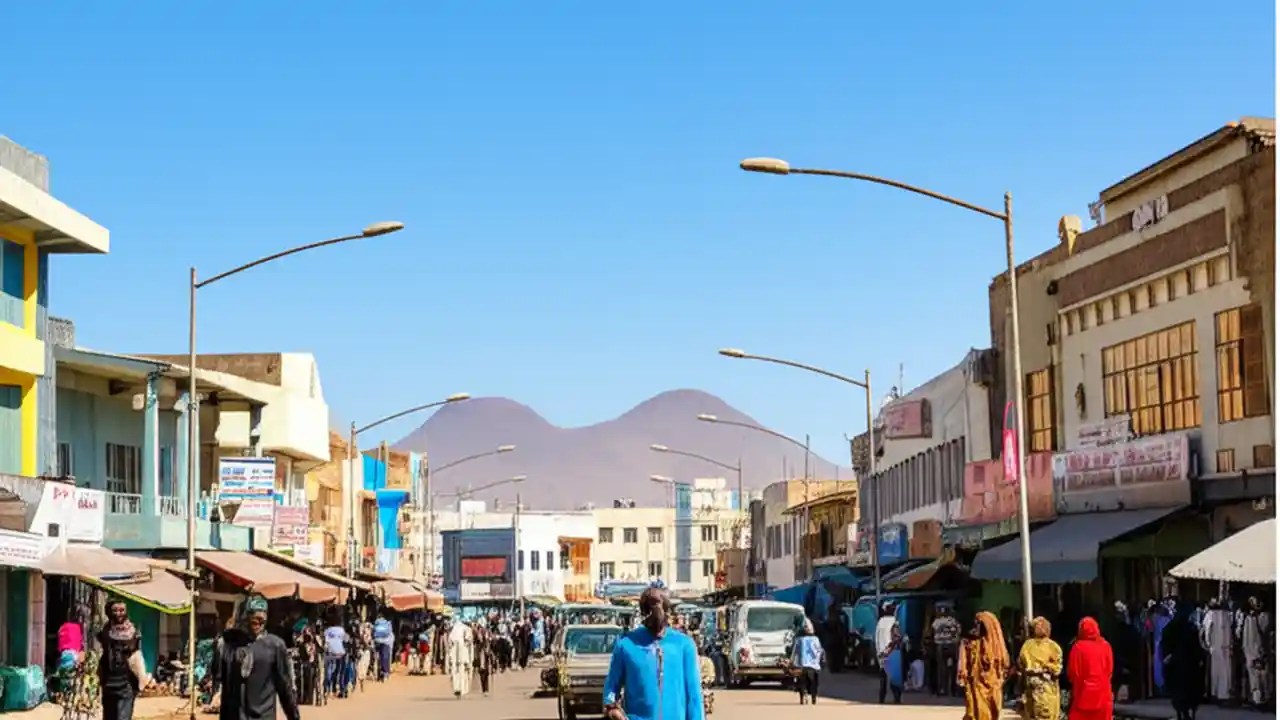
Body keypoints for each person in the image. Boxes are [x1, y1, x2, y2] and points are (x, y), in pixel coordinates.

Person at [603, 586, 704, 720]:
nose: (655, 613)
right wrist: (612, 709)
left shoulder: (683, 645)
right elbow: (611, 688)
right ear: (644, 612)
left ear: (667, 610)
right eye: (650, 607)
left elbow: (694, 696)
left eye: (659, 606)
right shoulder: (626, 645)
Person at [214, 595, 301, 720]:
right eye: (253, 620)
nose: (258, 624)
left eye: (262, 620)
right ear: (243, 617)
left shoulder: (275, 646)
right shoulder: (229, 646)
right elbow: (223, 685)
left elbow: (285, 689)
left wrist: (294, 717)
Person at [98, 600, 145, 720]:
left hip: (126, 684)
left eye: (121, 610)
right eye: (115, 610)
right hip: (109, 685)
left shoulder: (134, 633)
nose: (118, 613)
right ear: (109, 612)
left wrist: (140, 680)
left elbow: (137, 657)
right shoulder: (105, 632)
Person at [957, 611, 1009, 720]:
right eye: (975, 623)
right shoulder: (969, 642)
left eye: (979, 624)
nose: (976, 627)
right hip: (976, 684)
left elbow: (1003, 665)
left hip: (993, 685)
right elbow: (963, 662)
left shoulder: (996, 645)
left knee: (992, 711)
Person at [1162, 603, 1205, 720]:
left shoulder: (1170, 628)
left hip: (1176, 664)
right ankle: (1188, 713)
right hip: (1188, 664)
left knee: (1178, 692)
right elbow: (1196, 646)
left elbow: (1165, 645)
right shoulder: (1190, 628)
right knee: (1189, 691)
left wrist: (1167, 656)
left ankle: (1182, 713)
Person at [1066, 617, 1113, 720]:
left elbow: (1072, 673)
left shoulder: (1077, 647)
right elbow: (1109, 671)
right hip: (1103, 696)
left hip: (1082, 695)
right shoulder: (1106, 646)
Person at [1018, 617, 1063, 720]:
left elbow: (1021, 665)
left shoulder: (1026, 646)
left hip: (1030, 689)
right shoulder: (1054, 647)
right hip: (1047, 690)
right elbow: (1057, 669)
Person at [1238, 596, 1272, 707]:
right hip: (1252, 650)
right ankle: (1258, 697)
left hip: (1256, 650)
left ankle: (1261, 697)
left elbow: (1261, 631)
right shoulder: (1250, 617)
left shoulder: (1260, 617)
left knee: (1258, 675)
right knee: (1256, 675)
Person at [875, 602, 905, 704]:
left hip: (882, 653)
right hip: (892, 652)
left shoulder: (880, 622)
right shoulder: (894, 622)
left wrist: (878, 651)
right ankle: (897, 698)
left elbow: (877, 639)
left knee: (883, 678)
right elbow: (897, 637)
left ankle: (881, 699)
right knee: (895, 676)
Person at [931, 604, 961, 697]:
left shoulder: (937, 621)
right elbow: (959, 632)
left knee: (941, 668)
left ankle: (942, 689)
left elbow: (932, 632)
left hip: (940, 645)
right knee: (954, 669)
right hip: (952, 645)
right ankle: (954, 690)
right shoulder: (954, 621)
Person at [791, 618, 824, 705]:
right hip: (813, 665)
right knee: (813, 682)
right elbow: (819, 651)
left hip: (801, 664)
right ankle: (813, 698)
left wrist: (792, 662)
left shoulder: (799, 640)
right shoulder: (815, 639)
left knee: (802, 681)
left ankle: (803, 695)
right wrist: (821, 661)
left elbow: (794, 653)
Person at [322, 613, 348, 698]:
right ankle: (341, 689)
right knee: (341, 671)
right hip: (341, 653)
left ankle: (327, 689)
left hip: (331, 653)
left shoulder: (327, 630)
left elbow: (324, 641)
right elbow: (346, 640)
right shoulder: (341, 630)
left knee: (329, 671)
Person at [448, 620, 474, 698]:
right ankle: (462, 690)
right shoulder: (467, 629)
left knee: (456, 672)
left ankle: (457, 689)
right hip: (462, 655)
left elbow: (450, 643)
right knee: (463, 672)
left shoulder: (453, 630)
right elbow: (469, 641)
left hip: (456, 655)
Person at [474, 624, 496, 697]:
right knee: (482, 674)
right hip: (480, 656)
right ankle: (484, 690)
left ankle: (486, 689)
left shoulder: (488, 636)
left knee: (486, 674)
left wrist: (489, 641)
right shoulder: (477, 638)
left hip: (487, 657)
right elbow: (476, 645)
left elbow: (492, 644)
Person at [372, 612, 394, 681]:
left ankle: (377, 672)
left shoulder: (376, 622)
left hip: (377, 642)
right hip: (386, 643)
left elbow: (373, 632)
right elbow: (390, 634)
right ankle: (385, 672)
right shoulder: (387, 623)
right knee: (386, 658)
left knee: (377, 657)